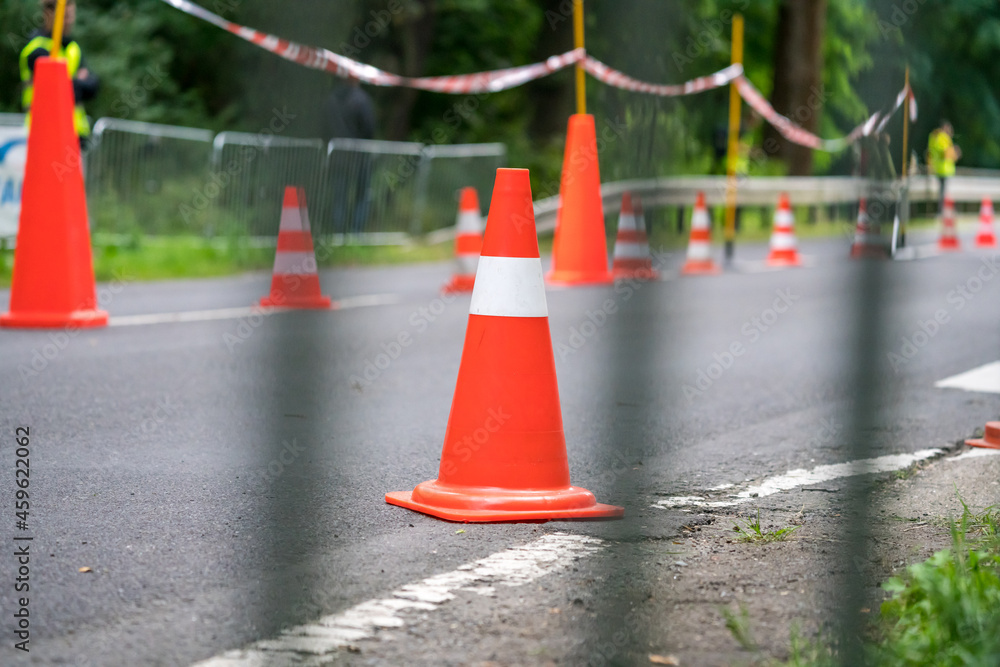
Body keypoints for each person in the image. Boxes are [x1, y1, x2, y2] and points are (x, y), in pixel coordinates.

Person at [19, 0, 99, 149]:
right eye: (65, 16)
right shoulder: (37, 49)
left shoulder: (72, 47)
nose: (69, 22)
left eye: (71, 16)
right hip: (44, 130)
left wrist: (73, 84)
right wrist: (76, 82)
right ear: (48, 14)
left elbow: (92, 87)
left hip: (75, 133)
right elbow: (58, 88)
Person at [322, 76, 376, 235]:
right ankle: (356, 234)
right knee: (362, 195)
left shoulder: (331, 99)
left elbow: (323, 128)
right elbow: (369, 128)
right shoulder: (361, 99)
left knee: (339, 197)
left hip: (337, 156)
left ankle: (338, 234)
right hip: (359, 157)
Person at [927, 120, 960, 215]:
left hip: (938, 168)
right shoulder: (942, 138)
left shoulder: (934, 136)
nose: (950, 131)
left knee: (943, 191)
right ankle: (941, 211)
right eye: (949, 128)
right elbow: (945, 153)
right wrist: (955, 153)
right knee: (943, 192)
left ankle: (942, 210)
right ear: (945, 128)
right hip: (943, 169)